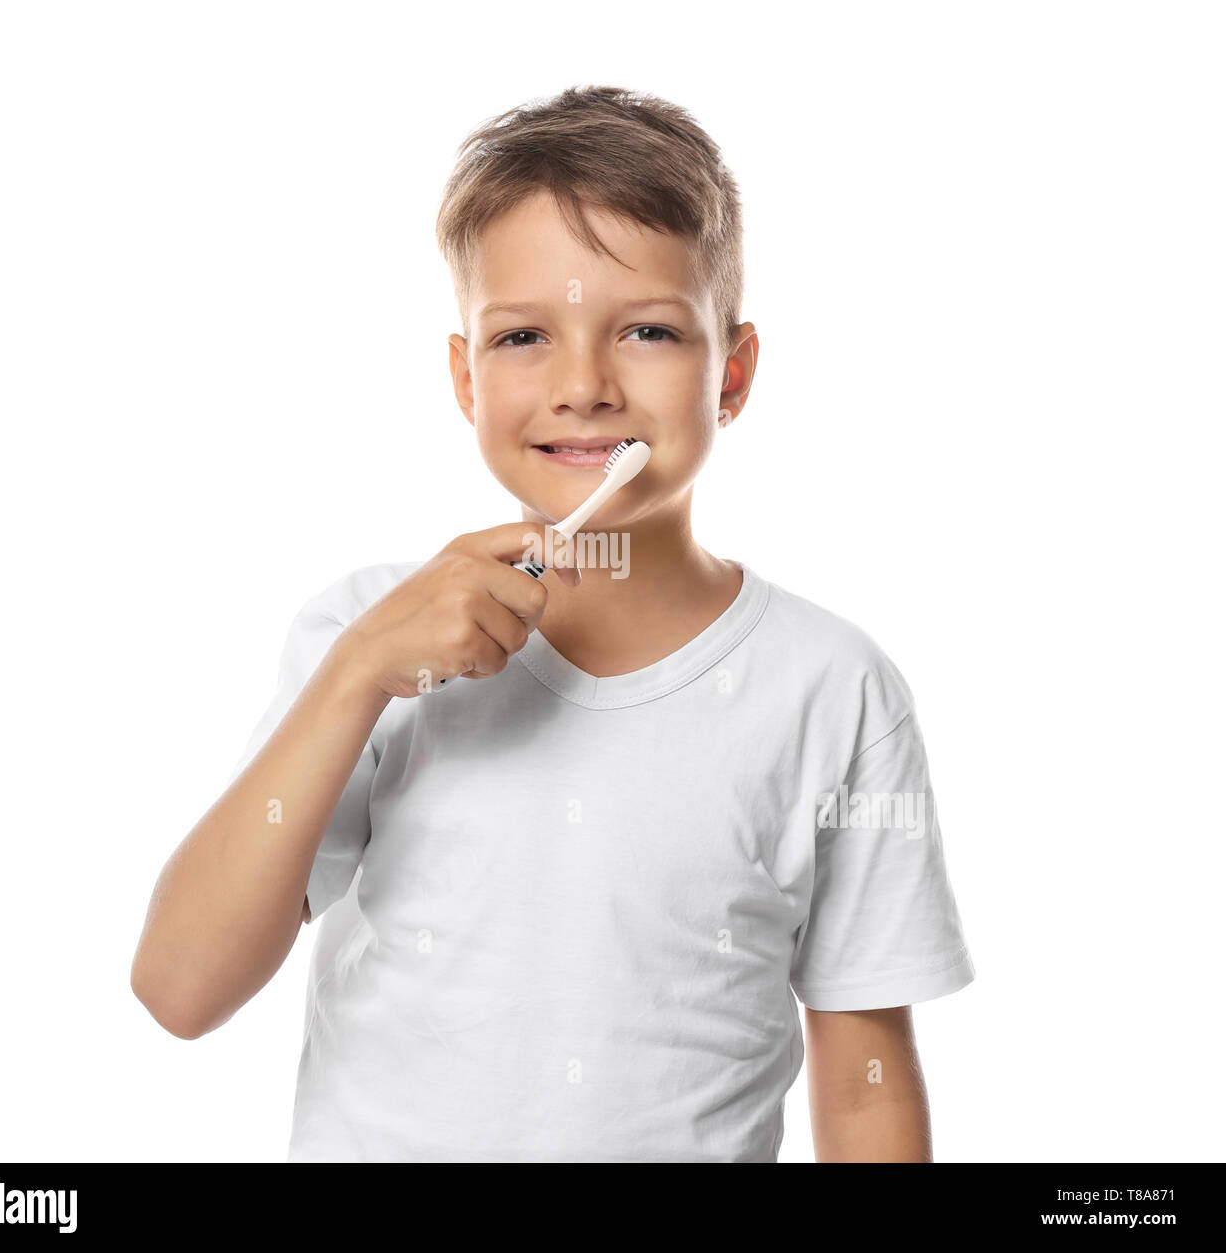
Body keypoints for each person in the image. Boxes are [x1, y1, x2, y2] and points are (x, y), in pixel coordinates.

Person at [131, 84, 974, 1163]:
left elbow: (863, 1079)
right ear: (464, 377)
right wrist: (352, 681)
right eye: (524, 334)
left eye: (650, 331)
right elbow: (180, 988)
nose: (583, 386)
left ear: (734, 372)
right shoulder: (361, 635)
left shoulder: (831, 689)